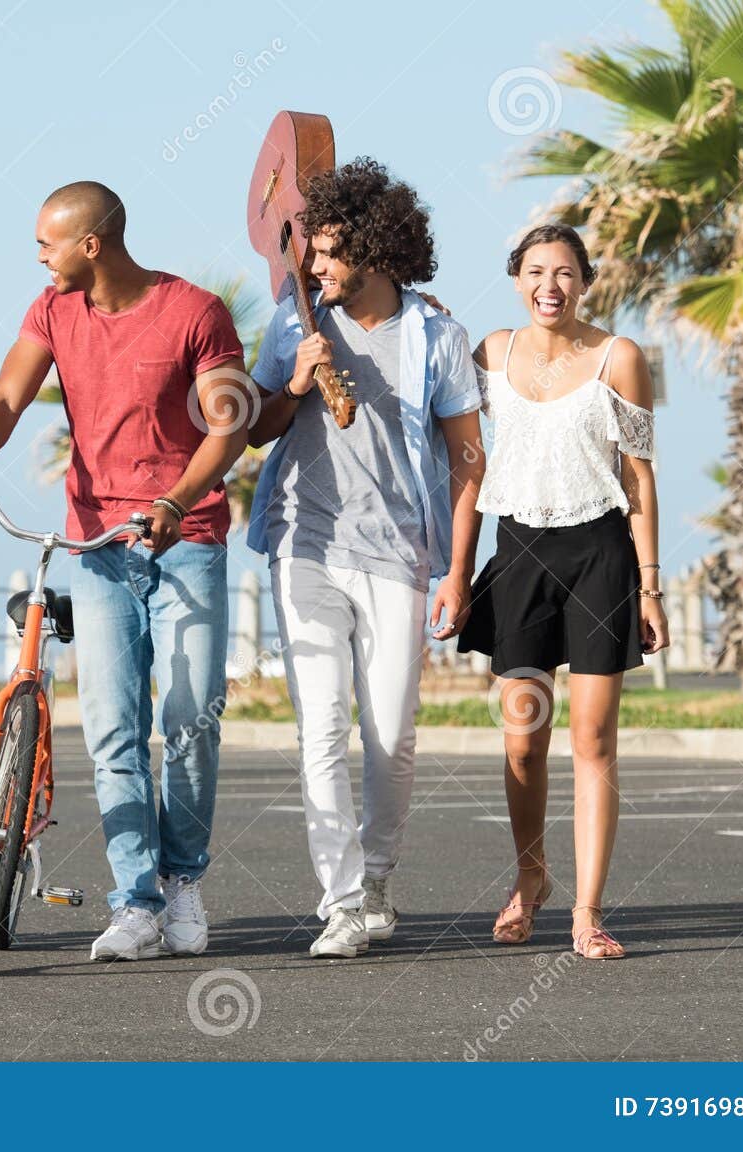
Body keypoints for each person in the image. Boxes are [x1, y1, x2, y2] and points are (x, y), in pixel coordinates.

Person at [0, 182, 251, 961]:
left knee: (190, 721)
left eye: (48, 243)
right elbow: (8, 396)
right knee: (112, 731)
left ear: (91, 244)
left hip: (186, 540)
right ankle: (135, 903)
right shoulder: (53, 310)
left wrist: (174, 501)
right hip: (97, 546)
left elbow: (230, 425)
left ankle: (183, 884)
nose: (39, 256)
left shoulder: (195, 312)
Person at [245, 158, 486, 959]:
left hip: (398, 556)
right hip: (304, 543)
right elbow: (252, 427)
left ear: (380, 249)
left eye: (330, 253)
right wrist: (294, 387)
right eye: (310, 252)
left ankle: (376, 875)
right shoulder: (295, 323)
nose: (314, 267)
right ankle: (342, 899)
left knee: (392, 735)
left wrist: (455, 568)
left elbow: (467, 461)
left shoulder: (438, 338)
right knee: (322, 728)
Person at [458, 222, 668, 960]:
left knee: (594, 739)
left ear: (586, 281)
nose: (552, 285)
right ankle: (531, 877)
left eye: (567, 273)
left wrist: (650, 586)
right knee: (523, 741)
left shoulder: (621, 357)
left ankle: (587, 912)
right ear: (517, 278)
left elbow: (639, 476)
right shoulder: (490, 353)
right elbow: (466, 455)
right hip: (517, 551)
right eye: (537, 271)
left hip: (601, 555)